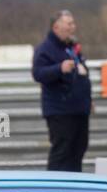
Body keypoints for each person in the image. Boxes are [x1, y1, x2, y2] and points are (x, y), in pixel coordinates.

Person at [31, 10, 92, 172]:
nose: (73, 27)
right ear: (56, 27)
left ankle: (75, 186)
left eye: (73, 23)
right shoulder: (45, 48)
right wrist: (59, 68)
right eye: (69, 24)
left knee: (78, 149)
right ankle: (55, 187)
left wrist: (88, 101)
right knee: (62, 151)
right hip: (60, 110)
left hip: (79, 109)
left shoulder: (72, 48)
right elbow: (38, 74)